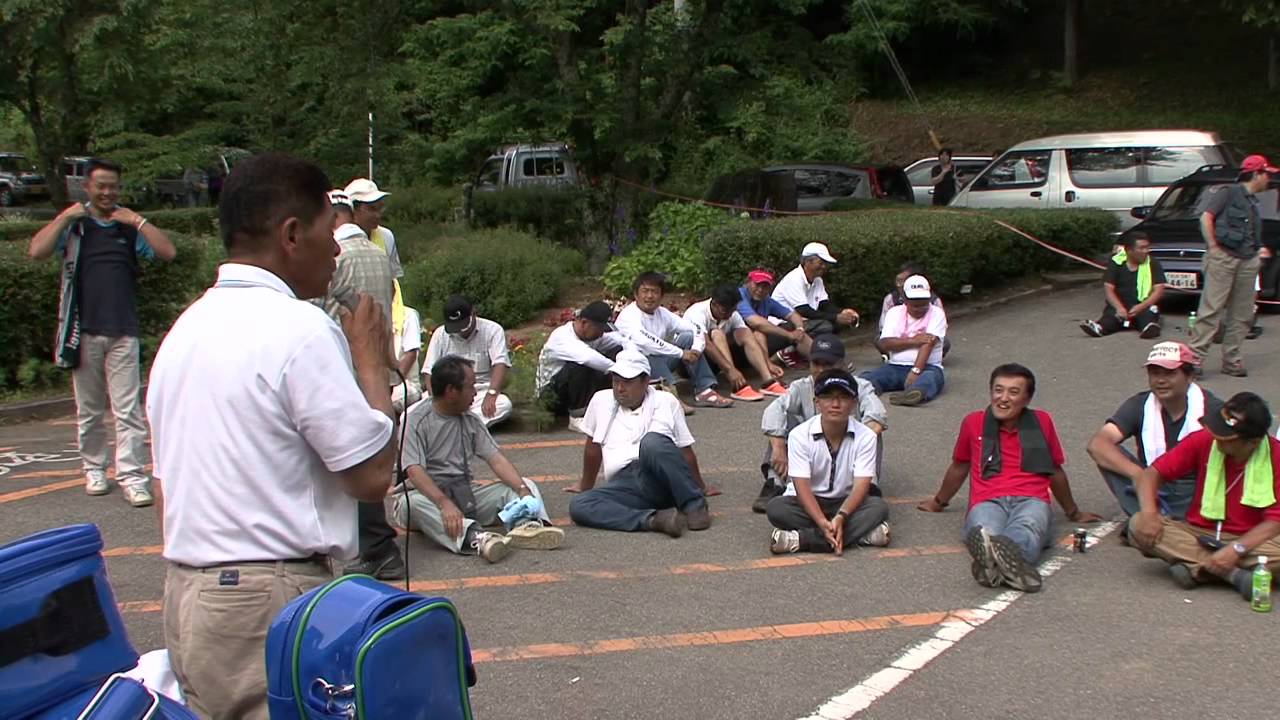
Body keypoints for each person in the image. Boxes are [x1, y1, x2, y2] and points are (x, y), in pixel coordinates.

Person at [145, 154, 397, 719]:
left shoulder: (182, 333)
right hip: (263, 597)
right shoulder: (300, 329)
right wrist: (370, 362)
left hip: (189, 594)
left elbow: (165, 488)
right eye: (327, 232)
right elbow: (373, 476)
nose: (337, 250)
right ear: (290, 235)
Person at [28, 157, 177, 507]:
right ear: (87, 187)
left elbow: (167, 252)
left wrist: (138, 221)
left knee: (128, 410)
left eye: (113, 186)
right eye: (101, 186)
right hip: (83, 329)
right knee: (90, 409)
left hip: (123, 328)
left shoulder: (128, 228)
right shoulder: (76, 228)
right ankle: (94, 468)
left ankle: (132, 475)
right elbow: (36, 251)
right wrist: (66, 215)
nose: (107, 192)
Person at [918, 363, 1101, 592]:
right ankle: (1008, 563)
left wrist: (1073, 512)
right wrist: (938, 502)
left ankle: (995, 564)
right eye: (998, 390)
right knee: (984, 530)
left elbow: (1053, 470)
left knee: (1028, 527)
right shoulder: (973, 422)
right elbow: (960, 466)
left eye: (1013, 392)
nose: (1003, 398)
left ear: (1027, 399)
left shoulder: (1042, 421)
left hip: (1031, 498)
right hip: (988, 499)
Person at [394, 356, 564, 562]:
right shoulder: (415, 420)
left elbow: (496, 460)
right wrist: (444, 503)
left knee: (524, 484)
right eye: (471, 387)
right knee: (414, 504)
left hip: (463, 494)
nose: (475, 393)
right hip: (424, 497)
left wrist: (522, 490)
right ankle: (477, 538)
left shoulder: (469, 419)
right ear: (451, 391)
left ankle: (526, 526)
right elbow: (414, 471)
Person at [315, 190, 403, 581]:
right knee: (369, 451)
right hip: (376, 364)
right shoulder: (376, 253)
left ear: (333, 219)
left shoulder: (339, 258)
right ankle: (373, 543)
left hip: (346, 366)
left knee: (353, 459)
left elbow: (319, 311)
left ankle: (376, 546)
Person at [1129, 392, 1280, 601]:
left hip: (1251, 539)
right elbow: (1151, 475)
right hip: (1198, 533)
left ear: (1253, 442)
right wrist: (1149, 512)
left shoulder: (1277, 456)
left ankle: (1198, 568)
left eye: (1227, 438)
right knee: (1137, 525)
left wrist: (1236, 549)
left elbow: (1275, 521)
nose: (1217, 439)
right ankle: (1232, 574)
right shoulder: (1205, 439)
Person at [567, 348, 714, 536]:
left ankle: (694, 506)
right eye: (616, 381)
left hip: (662, 477)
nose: (620, 389)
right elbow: (593, 447)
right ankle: (654, 520)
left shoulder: (666, 401)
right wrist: (585, 486)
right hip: (626, 484)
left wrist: (699, 487)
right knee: (580, 505)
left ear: (645, 381)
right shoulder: (600, 400)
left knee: (652, 442)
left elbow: (685, 450)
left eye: (627, 382)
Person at [1087, 341, 1222, 525]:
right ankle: (1152, 519)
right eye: (1155, 373)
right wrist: (1138, 475)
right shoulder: (1140, 404)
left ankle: (1161, 524)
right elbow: (1098, 444)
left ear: (1189, 376)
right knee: (1109, 455)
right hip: (1151, 483)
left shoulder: (1213, 409)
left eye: (1169, 374)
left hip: (1195, 488)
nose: (1160, 380)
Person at [756, 335, 887, 513]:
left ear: (842, 364)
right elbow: (773, 410)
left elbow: (876, 415)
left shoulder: (860, 386)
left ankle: (867, 486)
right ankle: (775, 482)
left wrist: (857, 441)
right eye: (816, 363)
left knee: (872, 434)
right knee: (781, 422)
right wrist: (779, 448)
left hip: (848, 458)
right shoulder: (800, 386)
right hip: (812, 457)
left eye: (827, 364)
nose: (820, 369)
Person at [766, 369, 891, 554]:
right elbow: (801, 487)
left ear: (854, 403)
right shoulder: (799, 435)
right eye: (827, 397)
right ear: (817, 403)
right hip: (809, 501)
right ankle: (861, 537)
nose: (835, 404)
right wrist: (821, 521)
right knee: (776, 508)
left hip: (845, 502)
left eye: (843, 397)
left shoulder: (866, 437)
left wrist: (841, 516)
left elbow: (861, 486)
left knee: (878, 507)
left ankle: (801, 540)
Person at [1187, 155, 1275, 377]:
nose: (1269, 179)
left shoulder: (1254, 201)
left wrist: (1258, 249)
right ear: (1256, 174)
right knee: (1211, 310)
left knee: (1242, 314)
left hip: (1247, 261)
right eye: (1267, 174)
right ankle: (1195, 358)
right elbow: (1206, 218)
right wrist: (1213, 247)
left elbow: (1250, 231)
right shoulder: (1228, 192)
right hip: (1224, 258)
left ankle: (1232, 359)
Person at [615, 271, 734, 409]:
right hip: (635, 368)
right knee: (649, 353)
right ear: (636, 294)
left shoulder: (662, 313)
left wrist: (696, 349)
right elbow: (646, 342)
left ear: (661, 296)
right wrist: (681, 353)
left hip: (659, 362)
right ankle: (672, 399)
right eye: (645, 291)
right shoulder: (629, 315)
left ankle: (704, 390)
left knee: (687, 338)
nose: (649, 296)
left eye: (654, 292)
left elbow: (695, 329)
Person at [535, 300, 633, 431]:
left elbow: (622, 341)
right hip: (550, 398)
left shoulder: (592, 335)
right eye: (599, 329)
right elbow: (589, 358)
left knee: (617, 351)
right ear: (584, 323)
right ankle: (577, 418)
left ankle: (616, 405)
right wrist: (627, 374)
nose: (601, 334)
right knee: (580, 365)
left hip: (574, 391)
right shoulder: (562, 337)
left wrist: (633, 361)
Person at [682, 284, 788, 401]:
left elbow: (747, 337)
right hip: (690, 362)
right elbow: (706, 344)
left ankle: (768, 381)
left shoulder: (732, 314)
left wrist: (768, 364)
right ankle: (737, 386)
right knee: (717, 333)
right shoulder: (696, 313)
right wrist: (730, 370)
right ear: (714, 304)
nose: (728, 315)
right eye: (724, 311)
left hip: (716, 363)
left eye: (732, 310)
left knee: (745, 333)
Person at [423, 295, 513, 427]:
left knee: (503, 405)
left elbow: (500, 364)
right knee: (409, 415)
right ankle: (463, 426)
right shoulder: (440, 334)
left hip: (479, 392)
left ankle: (451, 427)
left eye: (462, 325)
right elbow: (428, 371)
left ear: (473, 314)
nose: (459, 331)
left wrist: (492, 393)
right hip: (447, 394)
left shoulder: (493, 330)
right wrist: (435, 400)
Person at [861, 274, 946, 407]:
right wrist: (913, 341)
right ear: (905, 300)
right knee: (868, 377)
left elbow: (927, 344)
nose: (920, 309)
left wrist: (916, 371)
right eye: (915, 306)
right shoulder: (894, 313)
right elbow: (885, 343)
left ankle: (914, 393)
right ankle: (865, 391)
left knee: (931, 379)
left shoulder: (937, 313)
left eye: (924, 304)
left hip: (927, 367)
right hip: (895, 366)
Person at [1079, 231, 1166, 339]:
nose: (1146, 251)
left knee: (1149, 313)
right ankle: (1099, 328)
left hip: (1142, 305)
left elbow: (1159, 290)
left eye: (1147, 247)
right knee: (1111, 317)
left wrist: (1141, 306)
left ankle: (1149, 328)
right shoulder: (1116, 262)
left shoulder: (1153, 263)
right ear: (1129, 250)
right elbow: (1109, 288)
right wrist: (1119, 308)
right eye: (1141, 248)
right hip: (1120, 306)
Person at [770, 242, 860, 337]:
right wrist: (836, 317)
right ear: (807, 262)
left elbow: (824, 304)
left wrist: (842, 312)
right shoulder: (794, 278)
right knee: (826, 326)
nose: (824, 267)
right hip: (781, 324)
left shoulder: (818, 280)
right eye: (821, 263)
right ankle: (788, 351)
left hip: (804, 321)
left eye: (825, 263)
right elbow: (804, 310)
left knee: (835, 324)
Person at [737, 267, 813, 365]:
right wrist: (789, 335)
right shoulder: (738, 295)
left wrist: (799, 329)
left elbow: (792, 315)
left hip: (757, 344)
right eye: (757, 285)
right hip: (738, 345)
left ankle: (821, 360)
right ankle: (768, 367)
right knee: (759, 333)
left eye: (765, 286)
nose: (760, 290)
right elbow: (756, 323)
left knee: (794, 329)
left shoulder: (766, 300)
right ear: (748, 283)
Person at [877, 261, 949, 358]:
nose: (900, 285)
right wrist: (912, 340)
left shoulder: (934, 302)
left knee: (945, 343)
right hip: (897, 339)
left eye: (904, 281)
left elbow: (935, 333)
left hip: (924, 342)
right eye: (898, 281)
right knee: (878, 340)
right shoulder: (891, 300)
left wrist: (916, 370)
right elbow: (883, 329)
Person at [394, 298, 423, 411]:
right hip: (377, 385)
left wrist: (389, 385)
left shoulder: (408, 315)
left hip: (405, 384)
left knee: (379, 401)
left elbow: (411, 355)